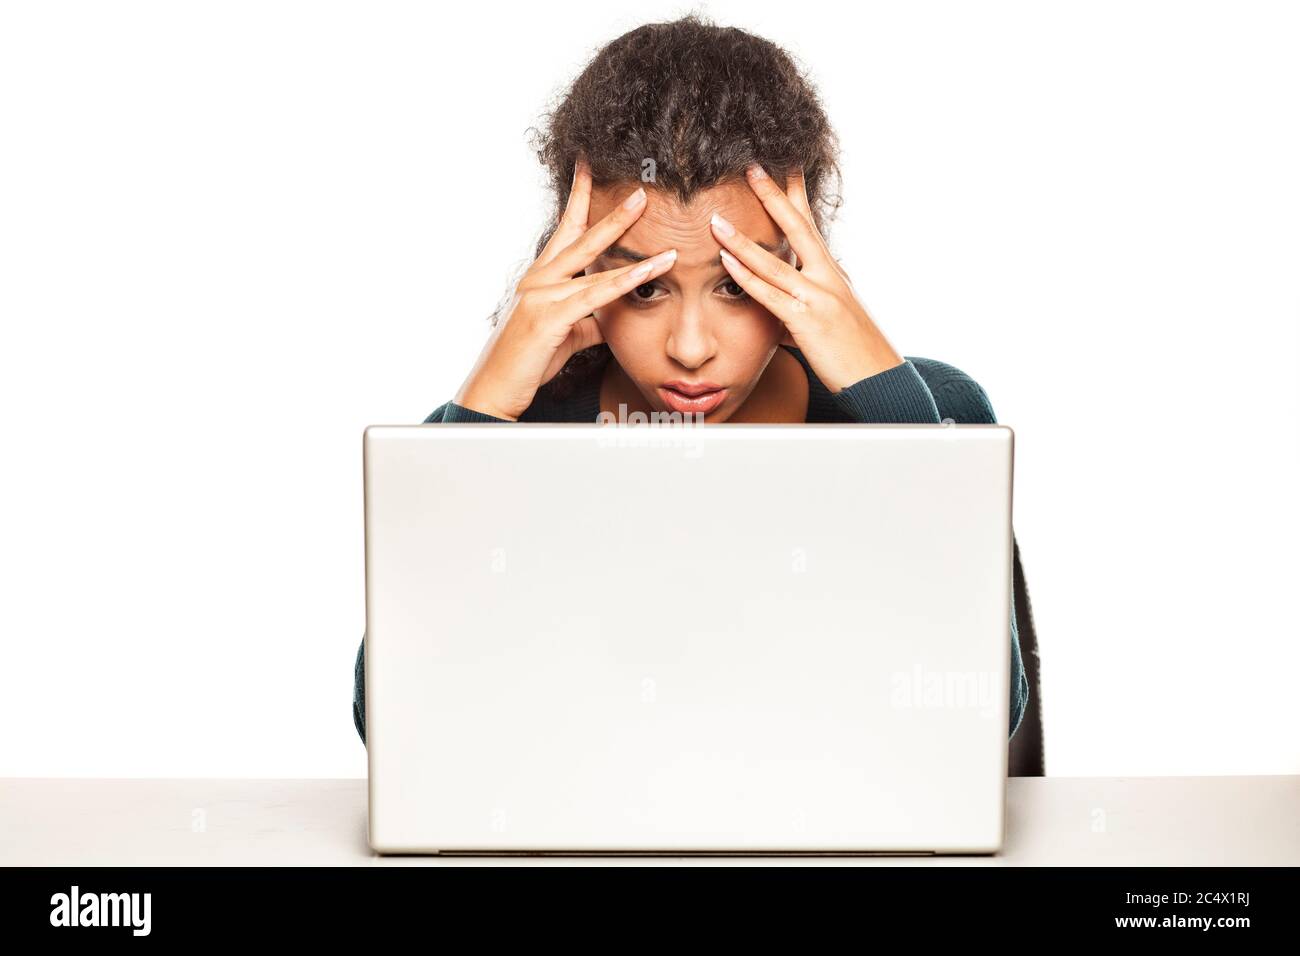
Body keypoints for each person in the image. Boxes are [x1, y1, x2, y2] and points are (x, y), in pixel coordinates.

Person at [353, 13, 1028, 745]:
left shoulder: (934, 413)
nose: (691, 348)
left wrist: (890, 399)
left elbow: (986, 718)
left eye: (738, 283)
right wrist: (482, 413)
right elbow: (391, 725)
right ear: (575, 268)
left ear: (802, 265)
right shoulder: (484, 437)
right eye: (644, 287)